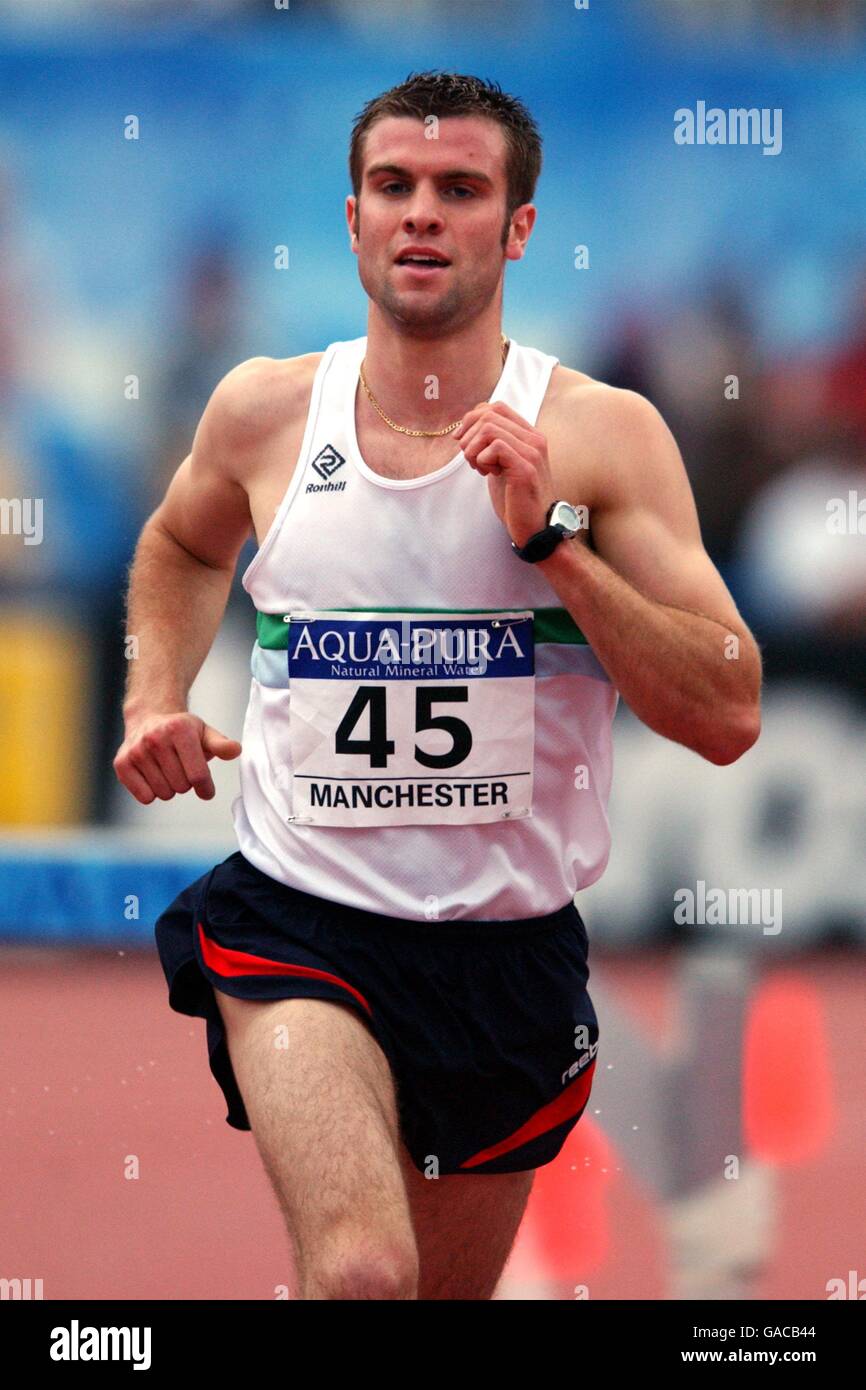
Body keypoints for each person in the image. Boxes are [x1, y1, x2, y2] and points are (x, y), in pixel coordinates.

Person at [114, 71, 762, 1301]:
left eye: (459, 190)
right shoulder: (261, 411)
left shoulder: (601, 436)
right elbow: (182, 542)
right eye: (392, 188)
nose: (420, 213)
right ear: (352, 218)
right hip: (298, 922)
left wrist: (553, 539)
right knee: (362, 1272)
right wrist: (154, 694)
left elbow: (726, 707)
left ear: (517, 228)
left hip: (504, 961)